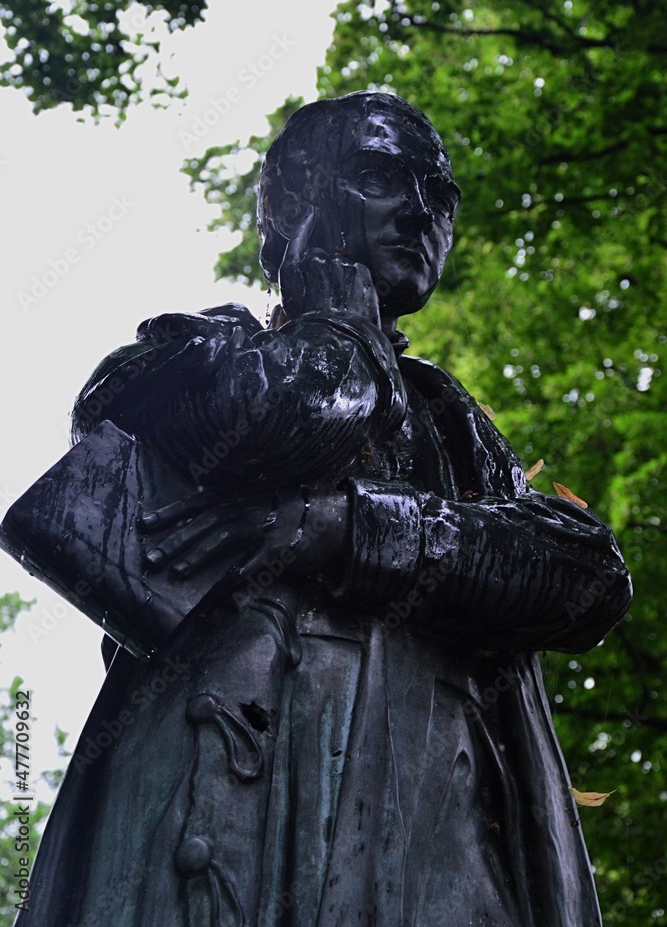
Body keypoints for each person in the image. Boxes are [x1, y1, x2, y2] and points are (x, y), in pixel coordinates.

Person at [9, 92, 631, 926]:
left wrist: (356, 531)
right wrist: (340, 327)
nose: (418, 211)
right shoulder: (180, 360)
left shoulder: (449, 419)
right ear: (291, 203)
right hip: (224, 801)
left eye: (437, 195)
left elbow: (586, 576)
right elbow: (288, 421)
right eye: (379, 176)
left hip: (433, 818)